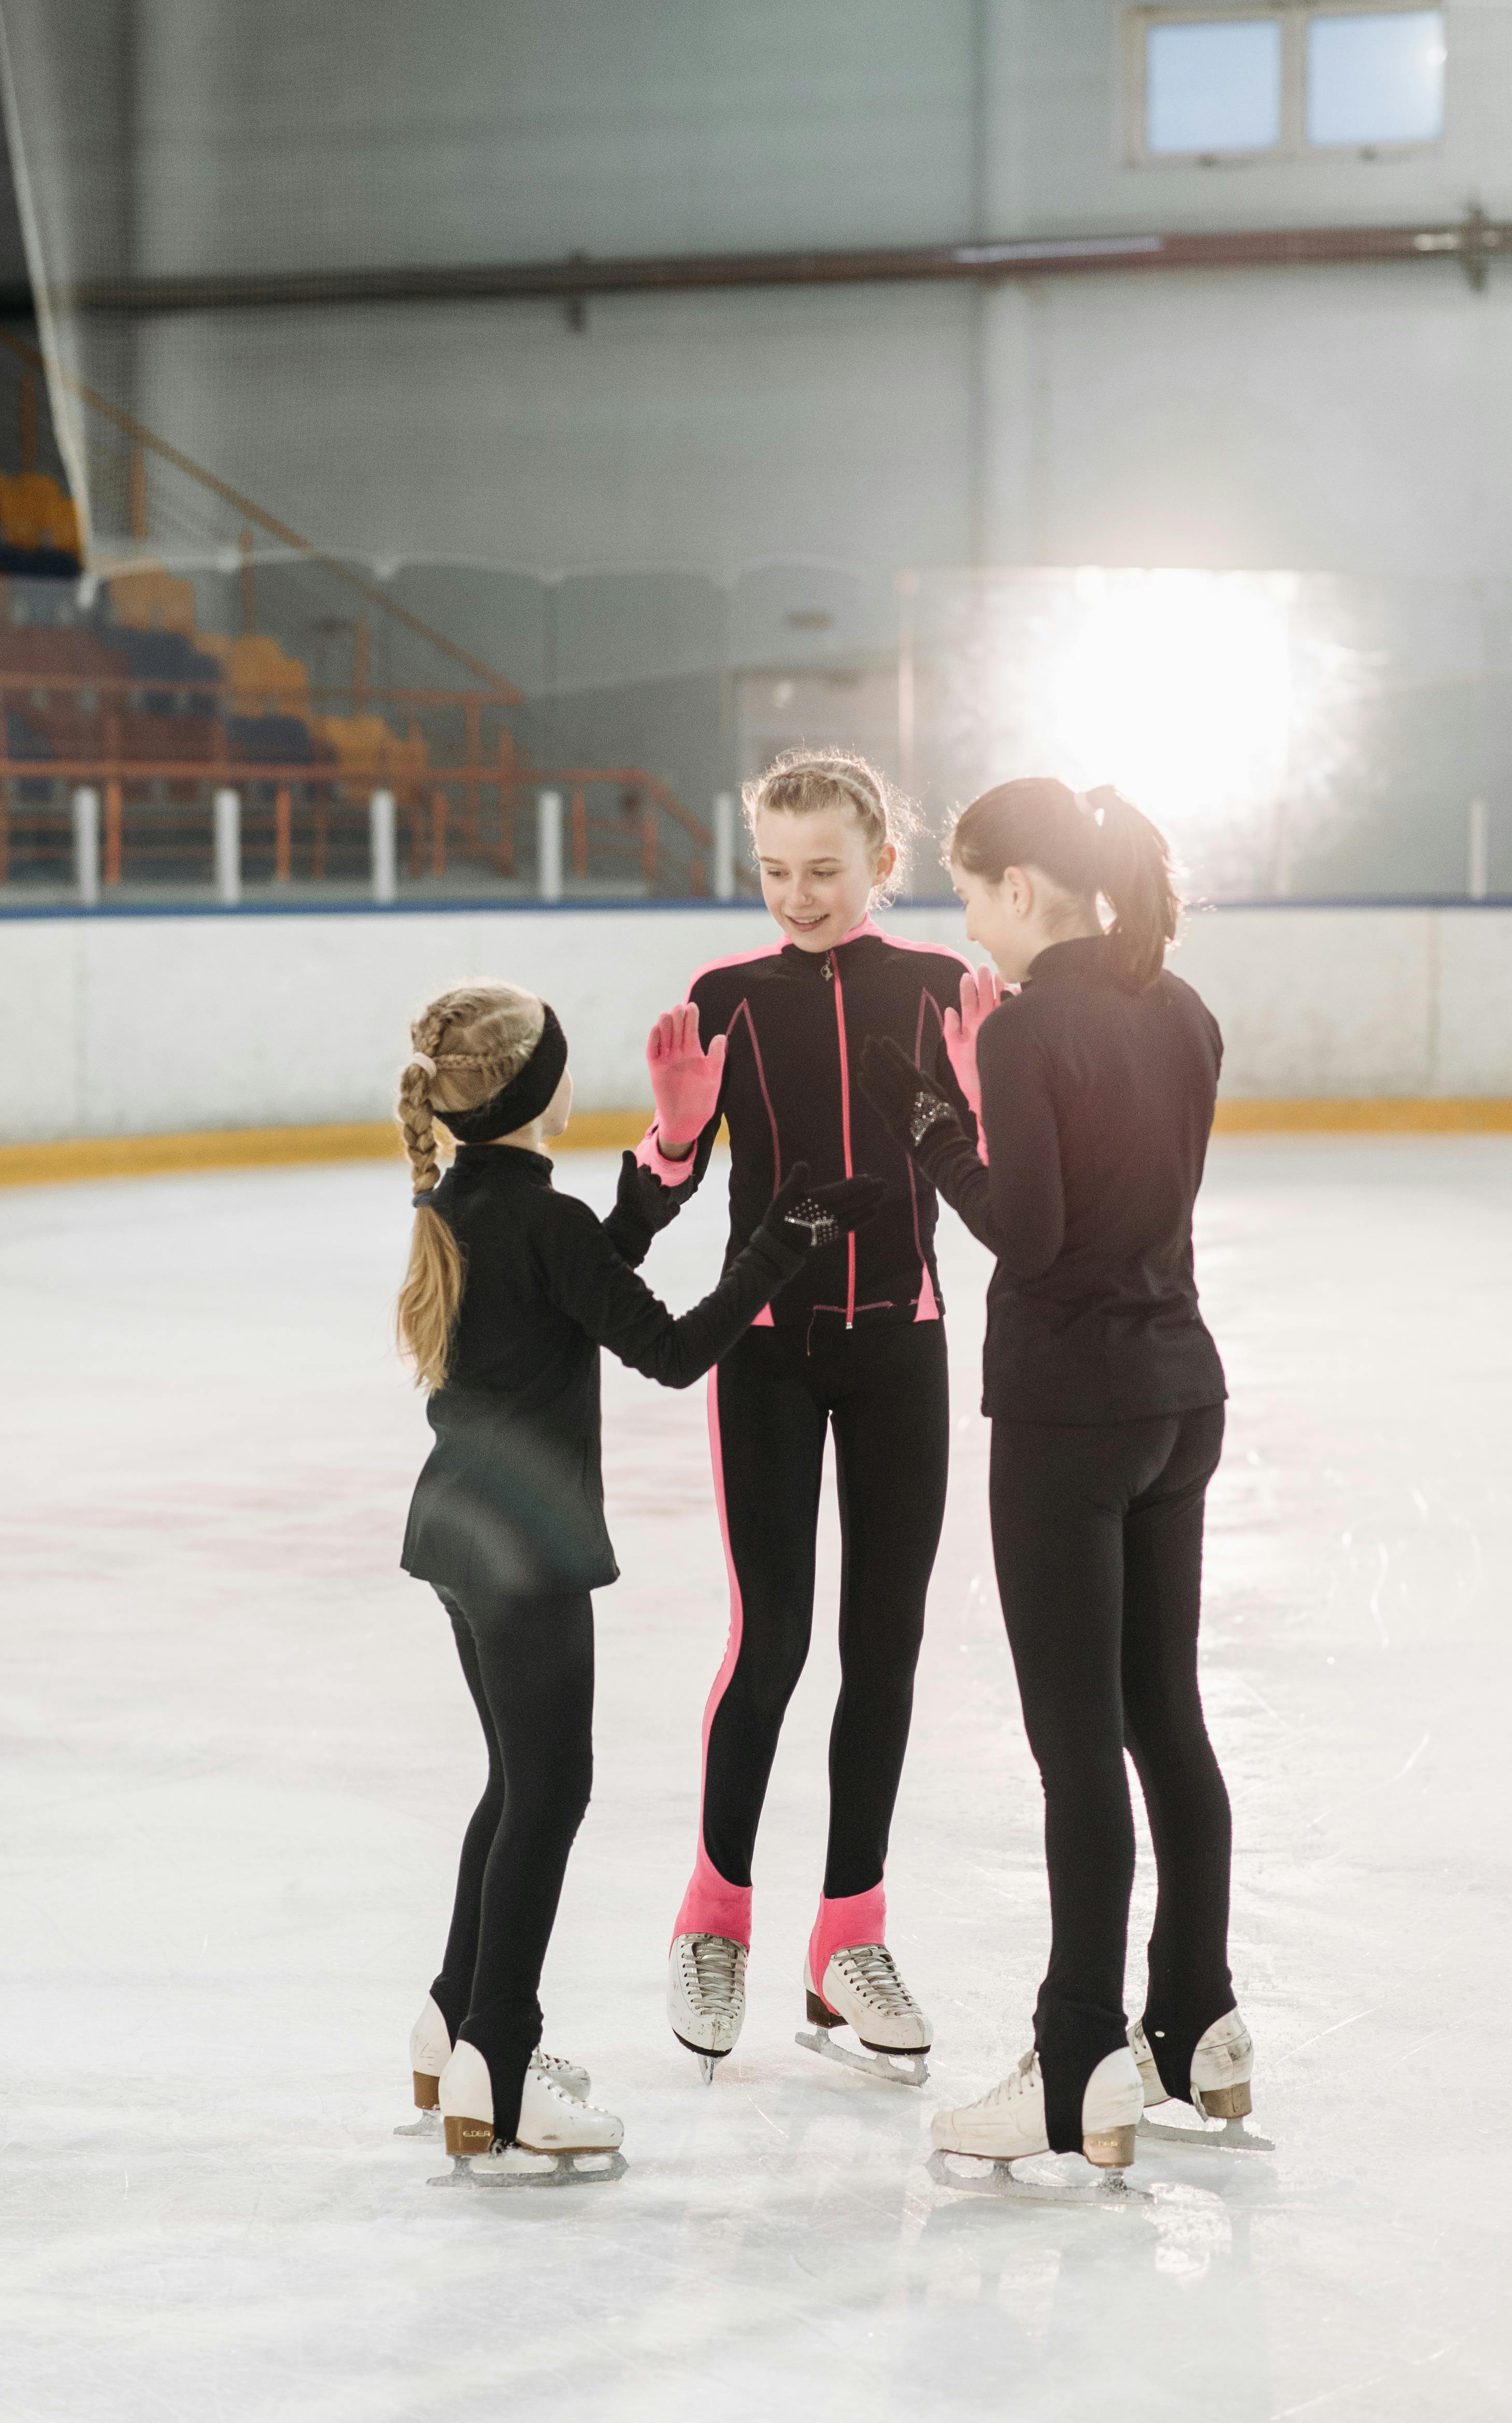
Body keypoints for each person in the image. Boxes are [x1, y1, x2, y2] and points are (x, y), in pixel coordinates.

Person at [393, 976, 883, 2176]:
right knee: (550, 1795)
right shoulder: (537, 1220)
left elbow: (580, 1283)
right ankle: (500, 2071)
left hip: (459, 1535)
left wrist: (657, 1194)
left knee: (515, 1785)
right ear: (542, 1091)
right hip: (527, 1553)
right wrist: (784, 1244)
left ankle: (454, 2020)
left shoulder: (462, 1201)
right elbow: (667, 1351)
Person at [860, 777, 1254, 2180]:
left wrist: (935, 1129)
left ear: (1022, 886)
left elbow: (1023, 1234)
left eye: (969, 892)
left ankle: (1077, 2050)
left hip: (1068, 1416)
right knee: (1165, 1719)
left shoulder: (1030, 1026)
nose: (964, 919)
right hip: (1178, 1394)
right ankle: (1196, 2016)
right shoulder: (1185, 1008)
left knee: (1077, 1741)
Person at [639, 749, 979, 2082]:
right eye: (775, 872)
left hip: (904, 1345)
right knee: (771, 1639)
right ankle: (714, 1914)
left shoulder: (943, 991)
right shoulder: (722, 1000)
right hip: (768, 1350)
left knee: (883, 1646)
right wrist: (675, 1137)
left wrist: (989, 1110)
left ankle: (849, 1933)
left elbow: (992, 1176)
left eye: (825, 872)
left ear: (881, 866)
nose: (798, 896)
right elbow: (660, 1201)